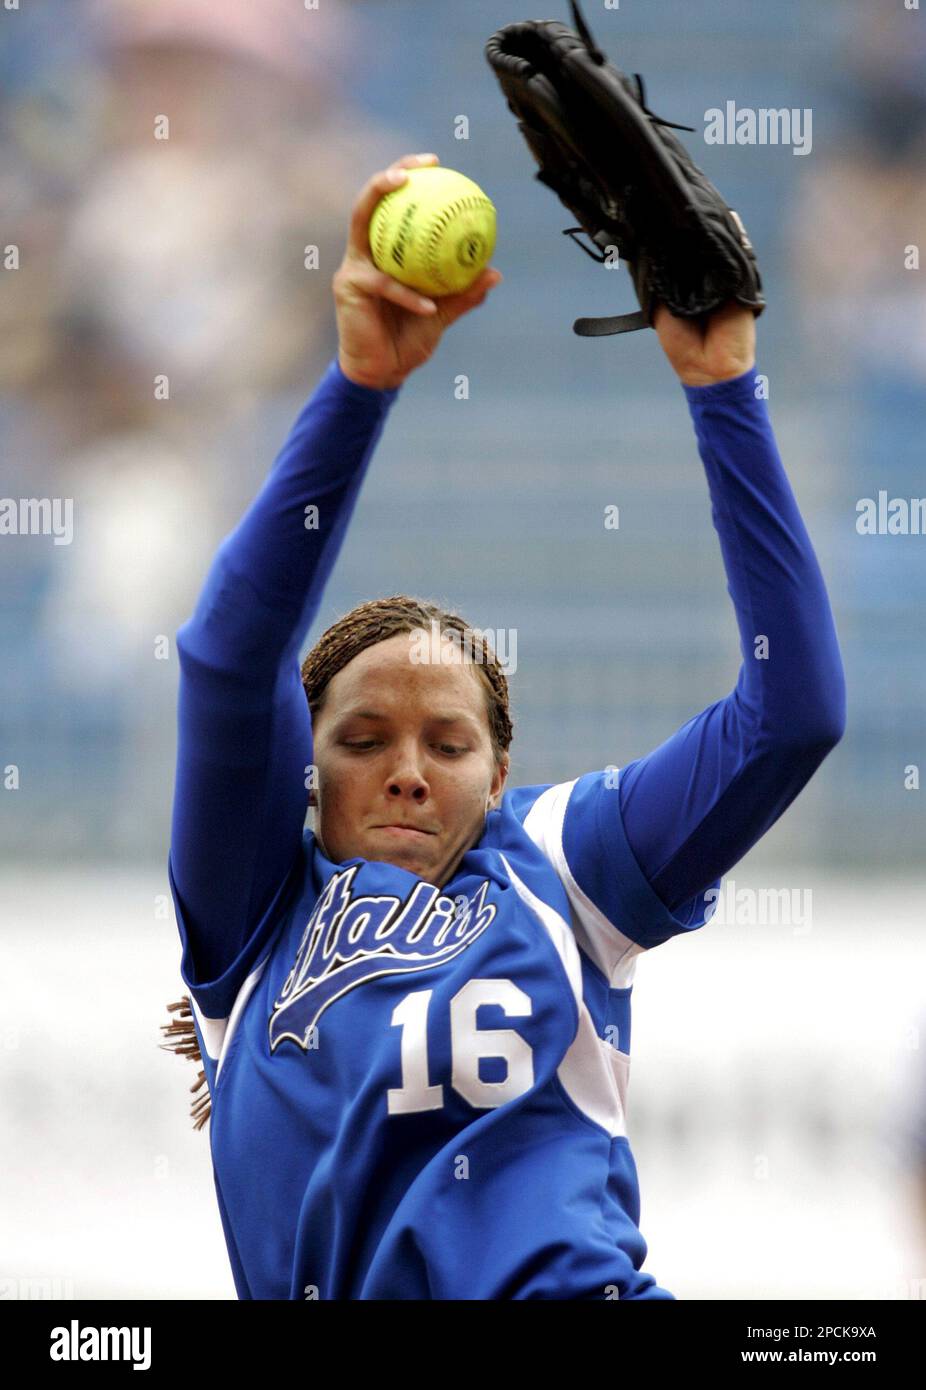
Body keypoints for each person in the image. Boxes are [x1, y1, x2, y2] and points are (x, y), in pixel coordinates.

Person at [164, 153, 845, 1300]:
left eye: (448, 742)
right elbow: (228, 660)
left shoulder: (557, 865)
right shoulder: (251, 913)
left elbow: (791, 716)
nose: (408, 773)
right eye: (362, 738)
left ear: (499, 772)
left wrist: (722, 384)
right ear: (303, 770)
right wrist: (358, 385)